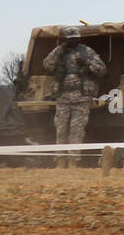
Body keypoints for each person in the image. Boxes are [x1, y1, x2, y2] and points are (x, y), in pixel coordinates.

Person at [44, 25, 107, 168]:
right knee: (61, 130)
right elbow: (47, 65)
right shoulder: (59, 52)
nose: (72, 42)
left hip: (81, 98)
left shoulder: (87, 52)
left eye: (75, 39)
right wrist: (59, 49)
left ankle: (73, 163)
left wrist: (87, 62)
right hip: (63, 97)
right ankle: (60, 163)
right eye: (70, 39)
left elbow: (102, 70)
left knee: (76, 131)